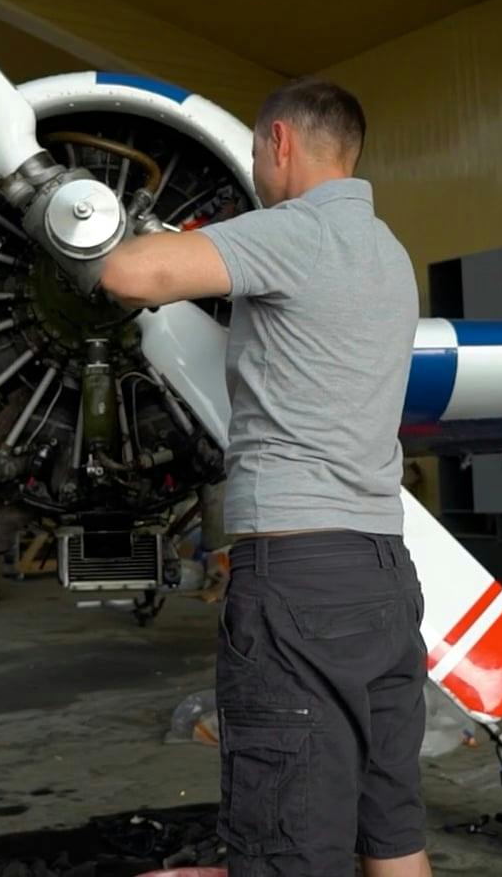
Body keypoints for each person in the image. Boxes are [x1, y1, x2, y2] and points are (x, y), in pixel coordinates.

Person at [100, 79, 428, 877]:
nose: (253, 167)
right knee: (393, 839)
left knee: (287, 852)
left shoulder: (294, 233)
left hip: (299, 587)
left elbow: (128, 276)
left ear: (280, 141)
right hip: (385, 578)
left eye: (254, 152)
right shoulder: (387, 252)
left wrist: (86, 225)